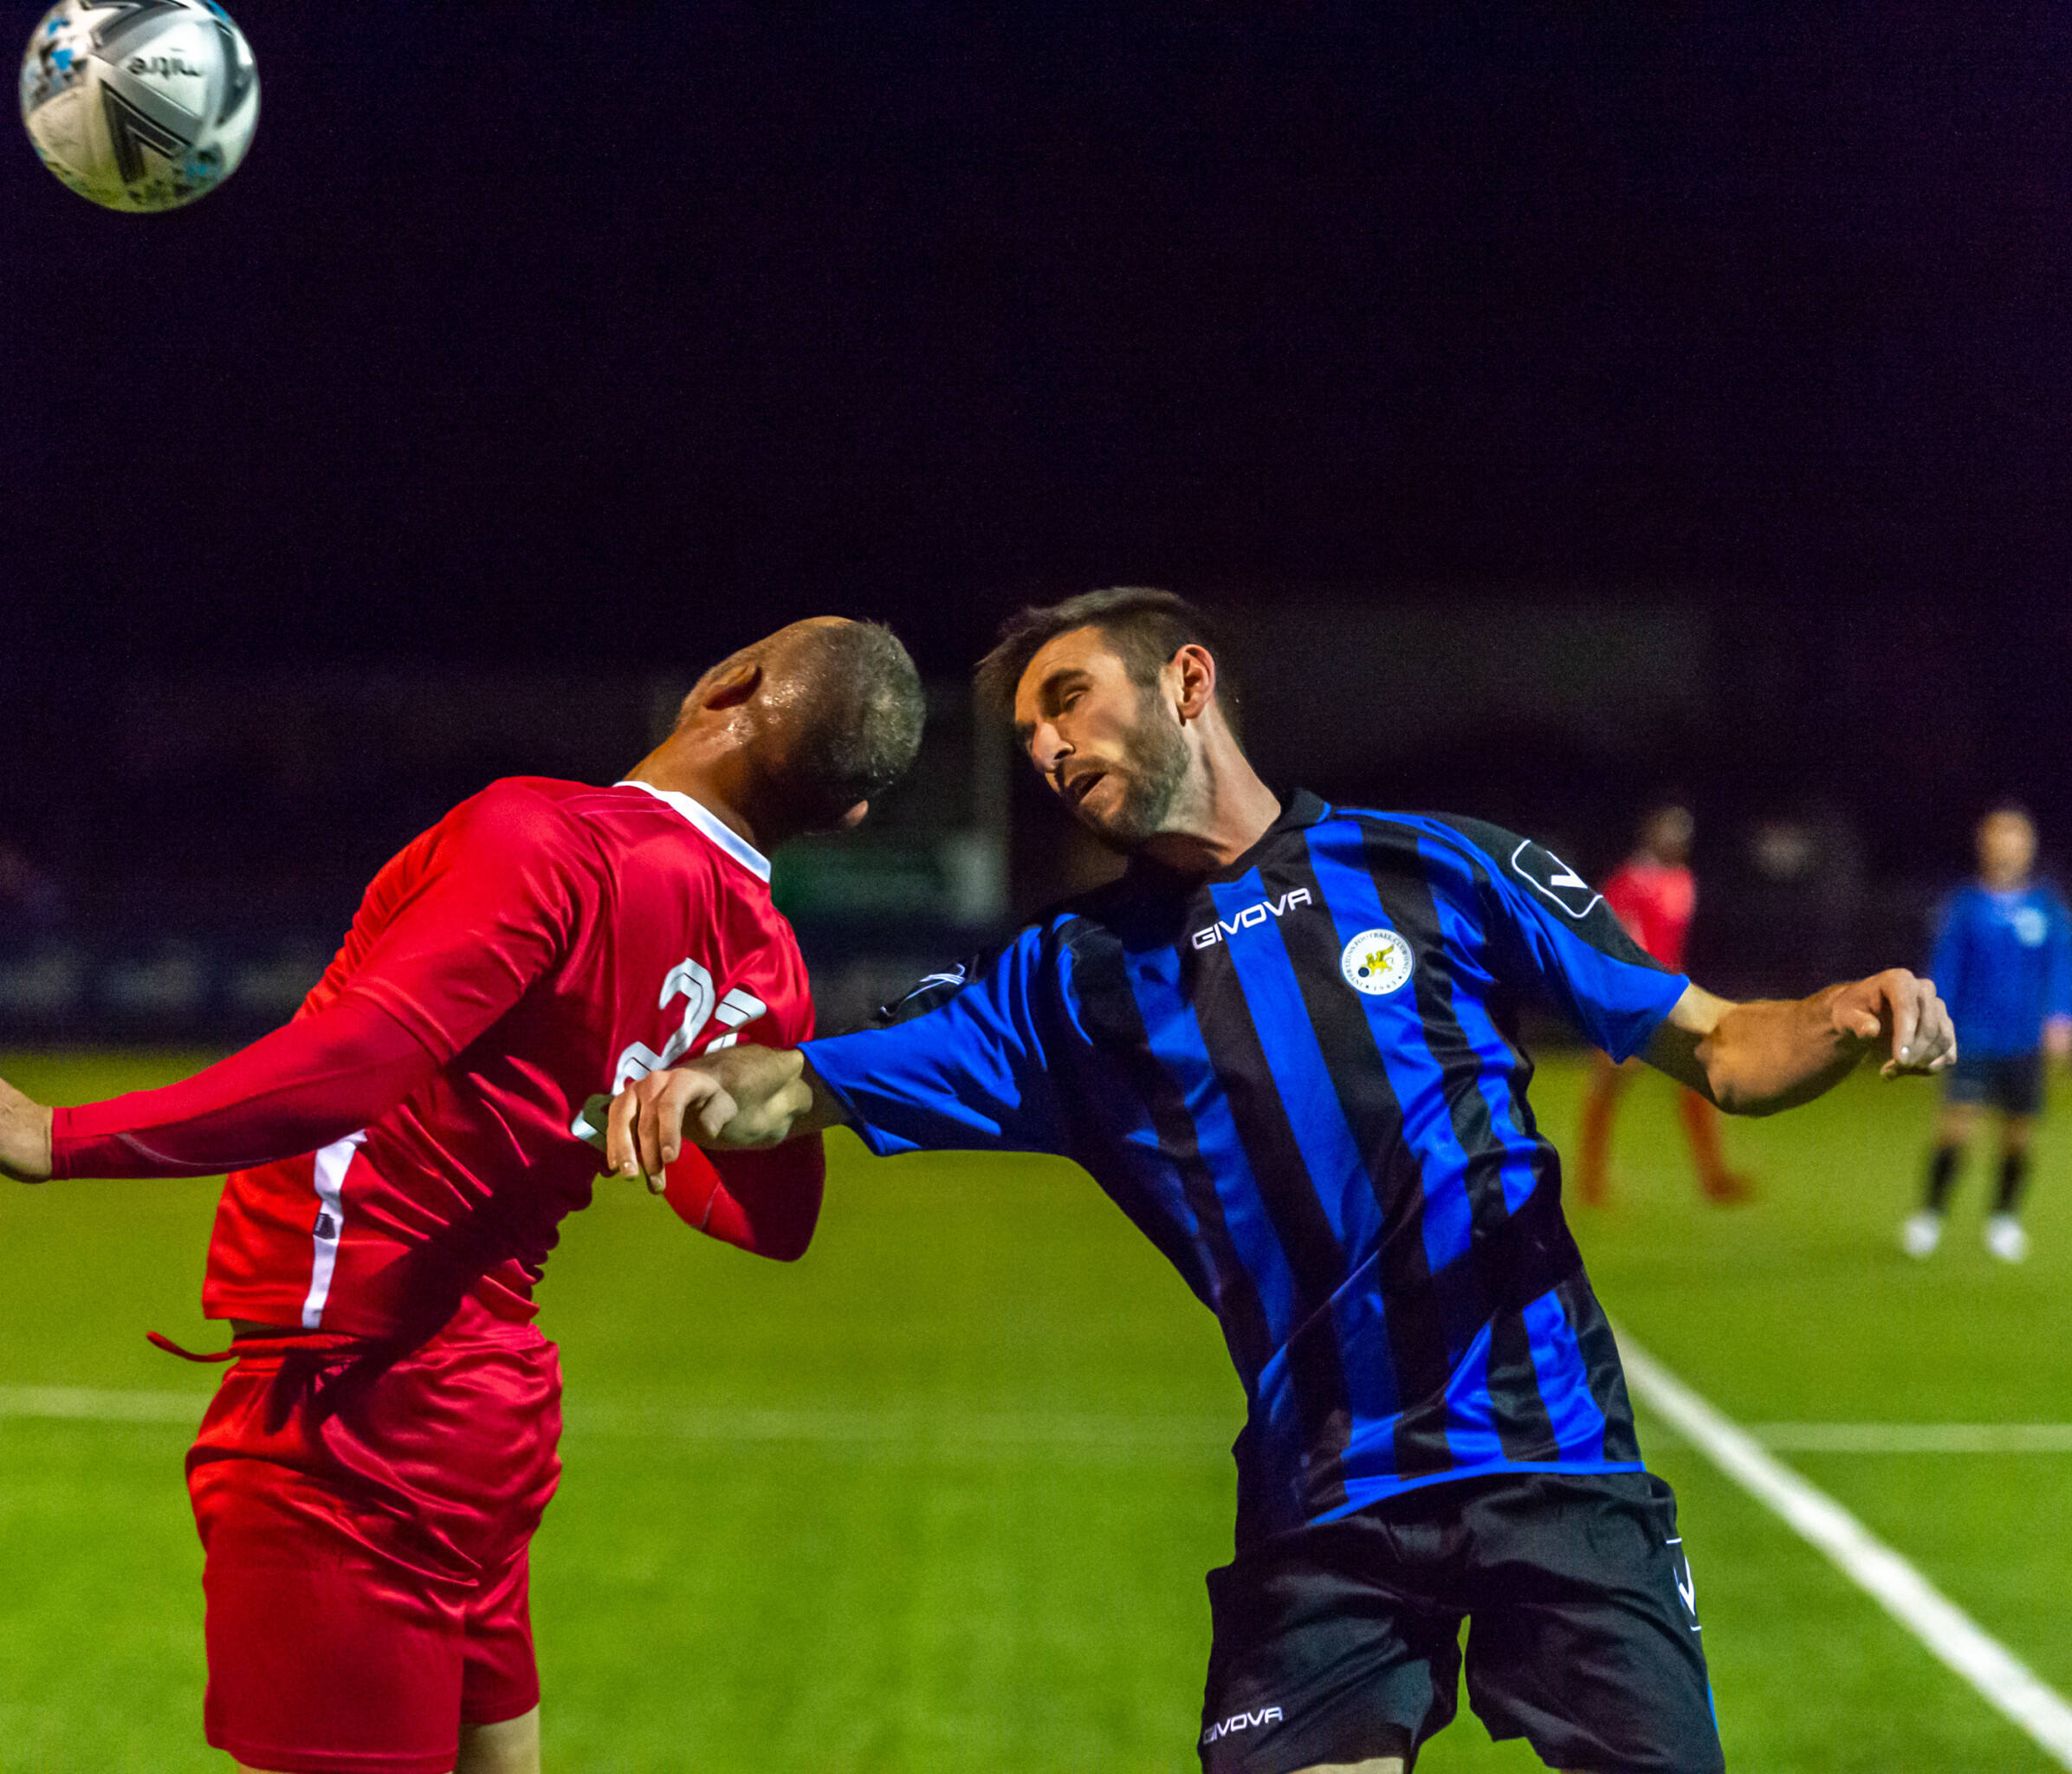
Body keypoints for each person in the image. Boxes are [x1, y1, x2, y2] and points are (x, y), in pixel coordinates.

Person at [605, 588, 1955, 1774]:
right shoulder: (1066, 978)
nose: (1048, 751)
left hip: (1553, 1459)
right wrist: (709, 1085)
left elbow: (1718, 1043)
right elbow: (813, 1083)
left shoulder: (1436, 868)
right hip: (1324, 1499)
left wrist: (1839, 1013)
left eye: (1067, 704)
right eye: (1028, 738)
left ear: (1187, 682)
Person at [0, 618, 924, 1774]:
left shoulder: (551, 833)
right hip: (483, 1410)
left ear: (730, 681)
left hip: (351, 1419)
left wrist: (62, 1135)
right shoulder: (766, 959)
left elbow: (360, 1063)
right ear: (848, 809)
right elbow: (773, 1221)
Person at [1903, 801, 2072, 1264]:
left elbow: (2061, 967)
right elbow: (1946, 966)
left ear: (2028, 847)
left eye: (2016, 838)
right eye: (1998, 837)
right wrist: (1933, 1017)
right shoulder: (1964, 905)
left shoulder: (2047, 907)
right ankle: (1930, 1215)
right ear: (1985, 843)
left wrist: (2061, 1016)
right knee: (1956, 1129)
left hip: (2024, 1042)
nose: (2007, 846)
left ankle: (2004, 1218)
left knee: (2018, 1135)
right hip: (1973, 1037)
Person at [1574, 804, 1756, 1206]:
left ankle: (1714, 1177)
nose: (1677, 842)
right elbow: (1612, 939)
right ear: (1651, 835)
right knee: (1609, 1080)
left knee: (1701, 1078)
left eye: (1682, 835)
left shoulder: (1682, 880)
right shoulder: (1627, 881)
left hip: (1671, 997)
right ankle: (1589, 1181)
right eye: (1669, 834)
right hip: (1630, 998)